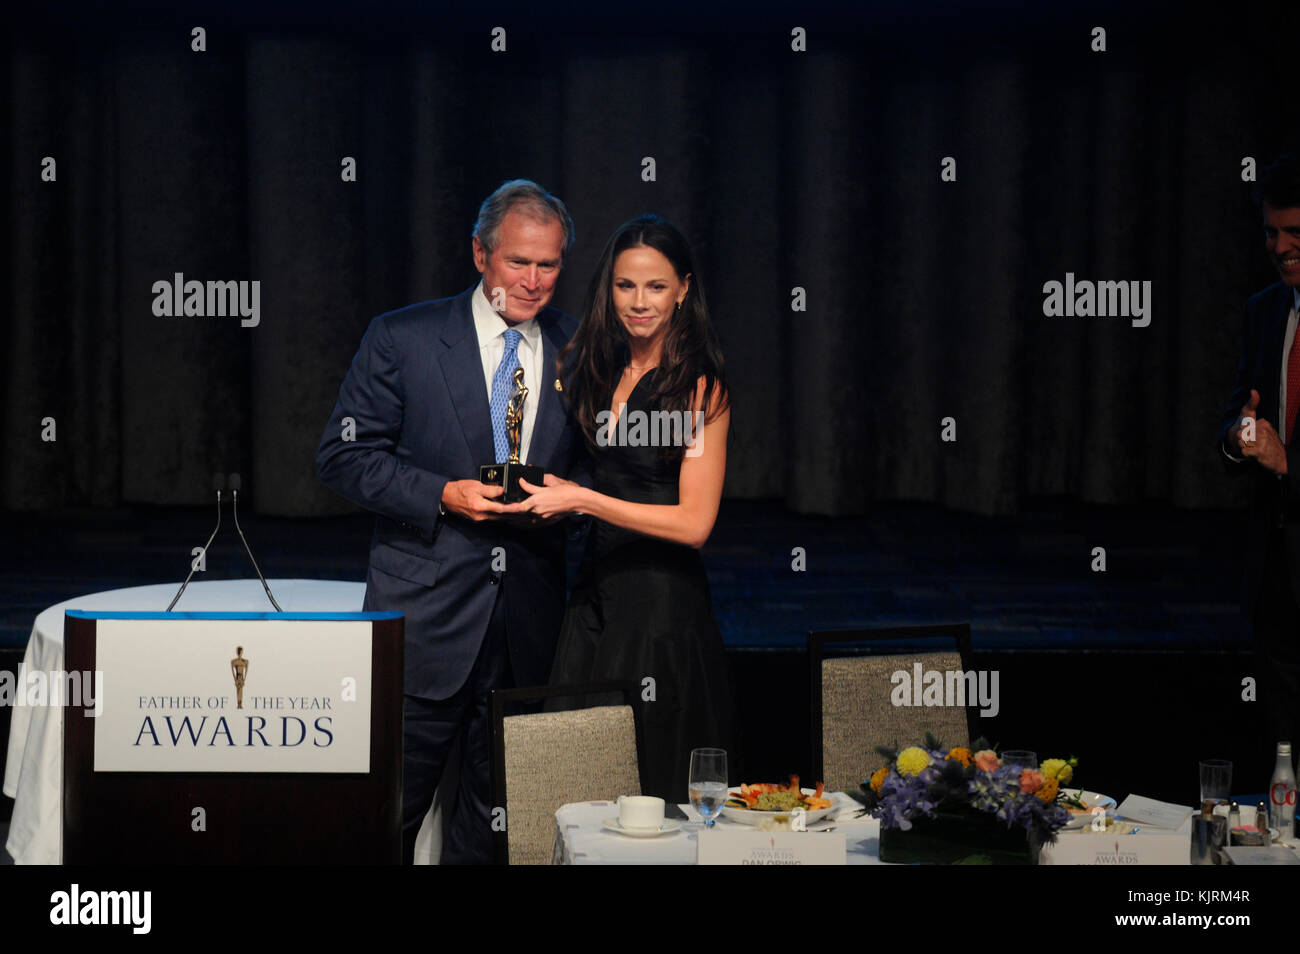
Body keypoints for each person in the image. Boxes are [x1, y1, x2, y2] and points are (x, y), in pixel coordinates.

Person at [316, 179, 584, 863]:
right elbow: (343, 457)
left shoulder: (581, 349)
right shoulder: (403, 338)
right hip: (425, 626)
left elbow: (598, 474)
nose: (532, 281)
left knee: (496, 832)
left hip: (528, 628)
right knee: (383, 822)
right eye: (517, 262)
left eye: (548, 264)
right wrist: (442, 494)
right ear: (479, 254)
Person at [510, 213, 737, 803]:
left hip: (659, 607)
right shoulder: (597, 365)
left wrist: (584, 500)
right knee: (575, 776)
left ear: (684, 289)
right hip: (592, 594)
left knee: (650, 783)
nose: (639, 302)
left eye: (656, 287)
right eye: (625, 286)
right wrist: (559, 496)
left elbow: (694, 524)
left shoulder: (699, 389)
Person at [1220, 153, 1300, 753]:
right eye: (1271, 232)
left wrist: (1289, 465)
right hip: (1276, 558)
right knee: (1282, 736)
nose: (1280, 246)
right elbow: (1237, 415)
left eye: (1295, 232)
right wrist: (1238, 438)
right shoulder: (1264, 310)